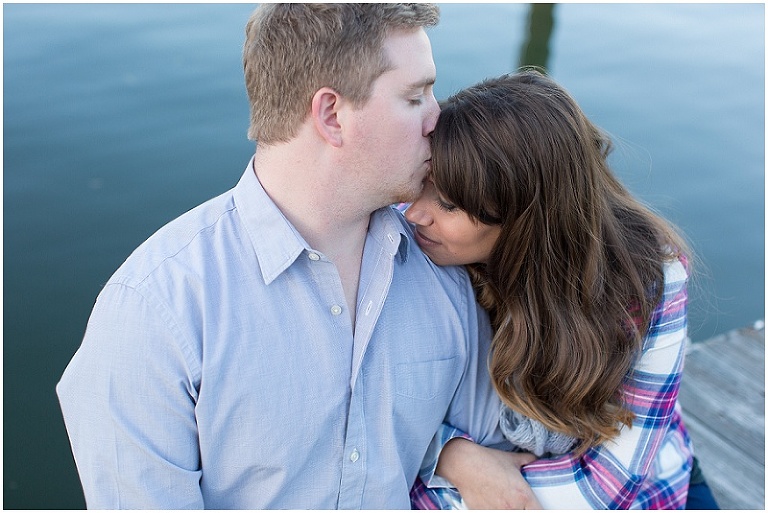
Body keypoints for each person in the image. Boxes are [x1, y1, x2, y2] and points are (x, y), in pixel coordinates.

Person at [55, 5, 520, 508]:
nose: (438, 118)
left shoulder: (445, 269)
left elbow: (514, 440)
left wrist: (445, 449)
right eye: (415, 97)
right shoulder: (154, 312)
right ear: (332, 115)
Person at [404, 70, 719, 509]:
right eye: (424, 184)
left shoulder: (649, 278)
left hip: (653, 491)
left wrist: (426, 484)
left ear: (523, 221)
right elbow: (378, 416)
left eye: (450, 204)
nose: (414, 213)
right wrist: (451, 456)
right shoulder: (416, 252)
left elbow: (605, 490)